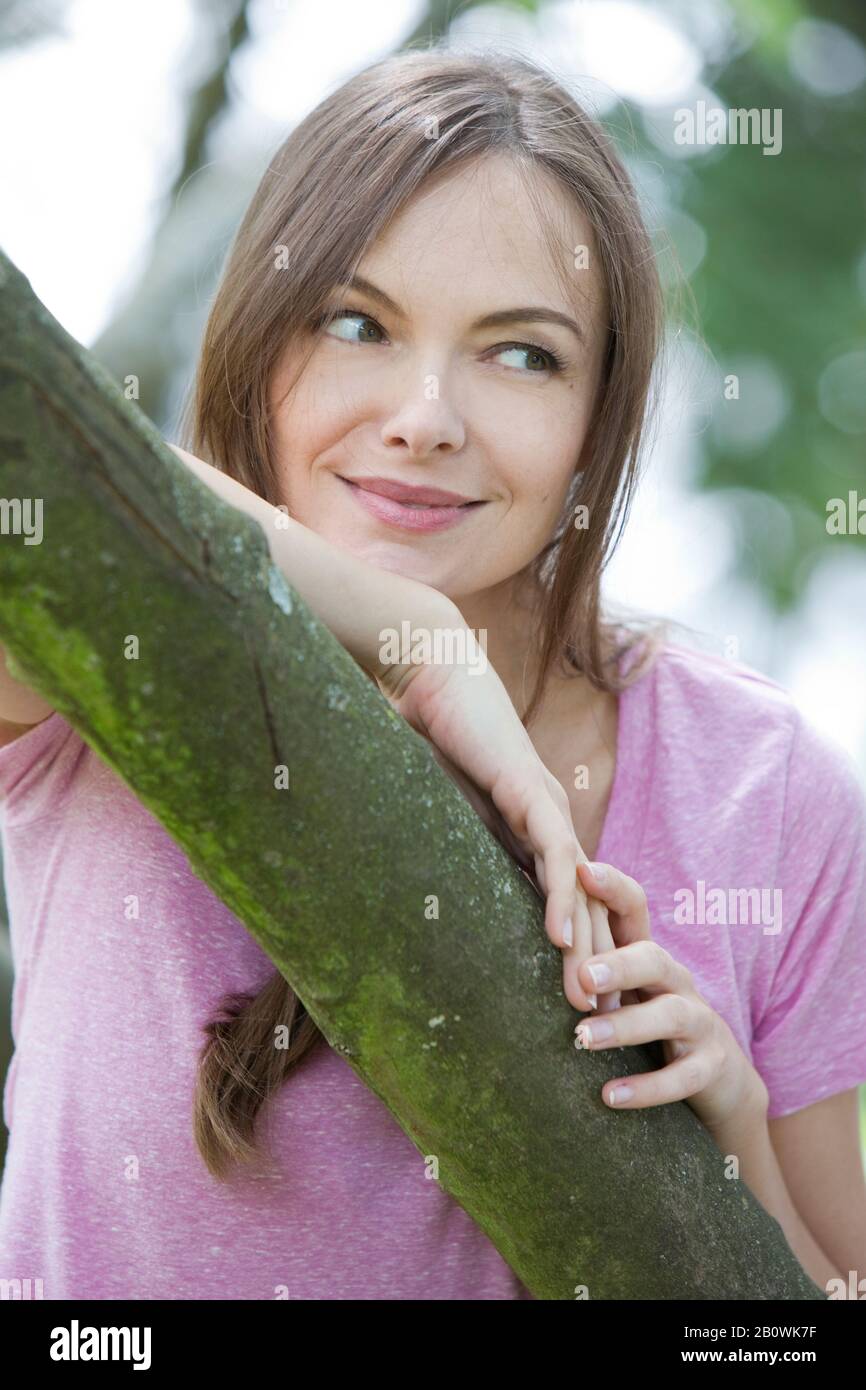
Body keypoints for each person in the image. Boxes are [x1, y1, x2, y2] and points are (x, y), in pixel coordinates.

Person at [1, 45, 864, 1301]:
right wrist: (412, 630)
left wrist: (728, 1133)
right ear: (255, 349)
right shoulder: (111, 661)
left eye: (521, 354)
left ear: (597, 421)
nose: (423, 415)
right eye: (356, 324)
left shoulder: (760, 790)